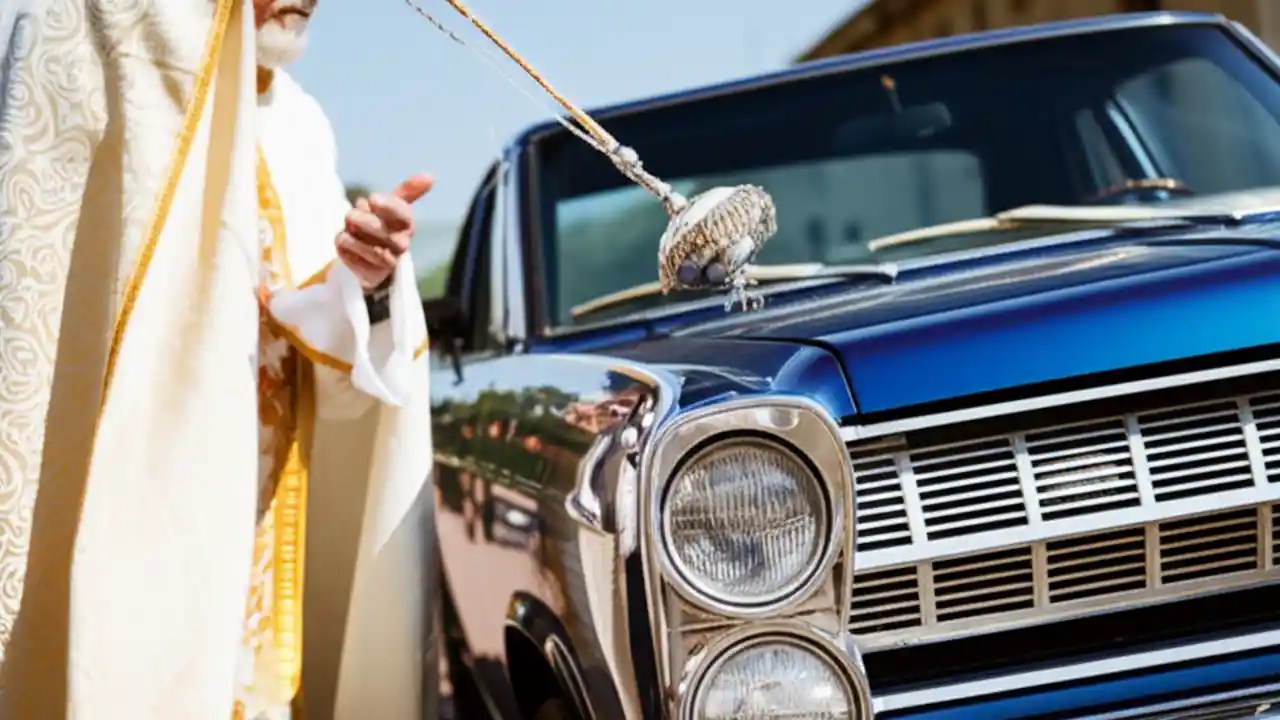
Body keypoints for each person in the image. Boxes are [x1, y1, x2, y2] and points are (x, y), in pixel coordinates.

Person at [0, 1, 437, 718]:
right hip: (127, 510)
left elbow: (333, 378)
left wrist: (368, 284)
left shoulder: (300, 126)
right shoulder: (98, 58)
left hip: (252, 538)